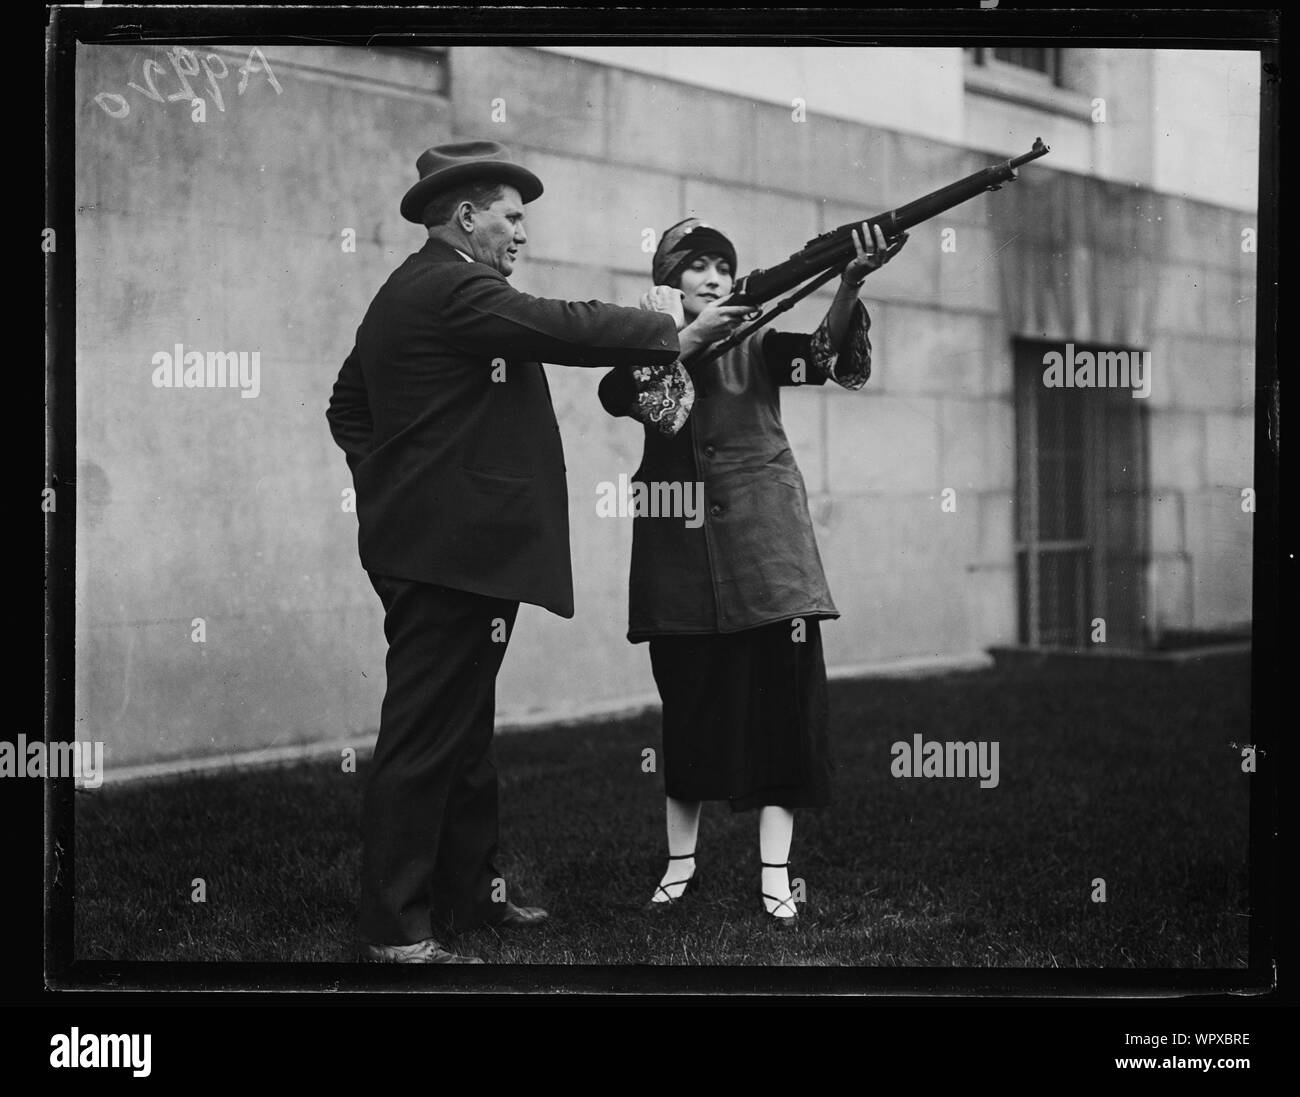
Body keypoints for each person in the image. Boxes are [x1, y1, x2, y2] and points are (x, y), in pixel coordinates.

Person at [327, 140, 683, 963]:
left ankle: (471, 898)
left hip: (448, 551)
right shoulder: (453, 285)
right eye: (512, 216)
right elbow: (560, 326)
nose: (522, 232)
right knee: (426, 738)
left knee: (465, 738)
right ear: (467, 217)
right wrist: (670, 325)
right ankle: (395, 928)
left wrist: (392, 475)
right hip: (446, 556)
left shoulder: (410, 289)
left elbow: (348, 408)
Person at [598, 216, 906, 924]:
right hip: (680, 566)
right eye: (694, 266)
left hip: (769, 559)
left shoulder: (761, 342)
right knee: (690, 717)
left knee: (782, 720)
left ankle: (776, 876)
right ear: (666, 282)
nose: (711, 277)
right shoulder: (642, 341)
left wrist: (848, 282)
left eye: (720, 267)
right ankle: (680, 868)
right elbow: (642, 401)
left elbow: (831, 359)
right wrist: (668, 336)